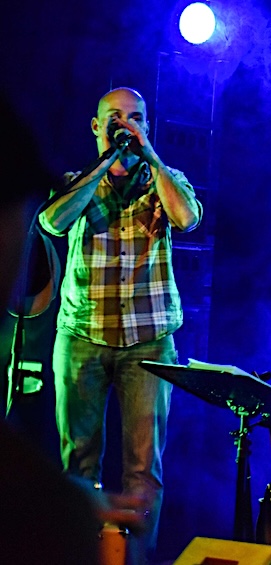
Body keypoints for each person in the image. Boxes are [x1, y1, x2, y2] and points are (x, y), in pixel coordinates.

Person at [38, 86, 202, 565]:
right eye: (115, 117)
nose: (125, 124)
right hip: (82, 336)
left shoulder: (166, 179)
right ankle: (80, 557)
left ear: (147, 125)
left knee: (143, 472)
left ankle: (136, 561)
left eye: (136, 118)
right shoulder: (74, 180)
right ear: (96, 126)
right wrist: (107, 160)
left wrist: (148, 155)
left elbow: (187, 218)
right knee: (78, 466)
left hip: (149, 342)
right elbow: (53, 222)